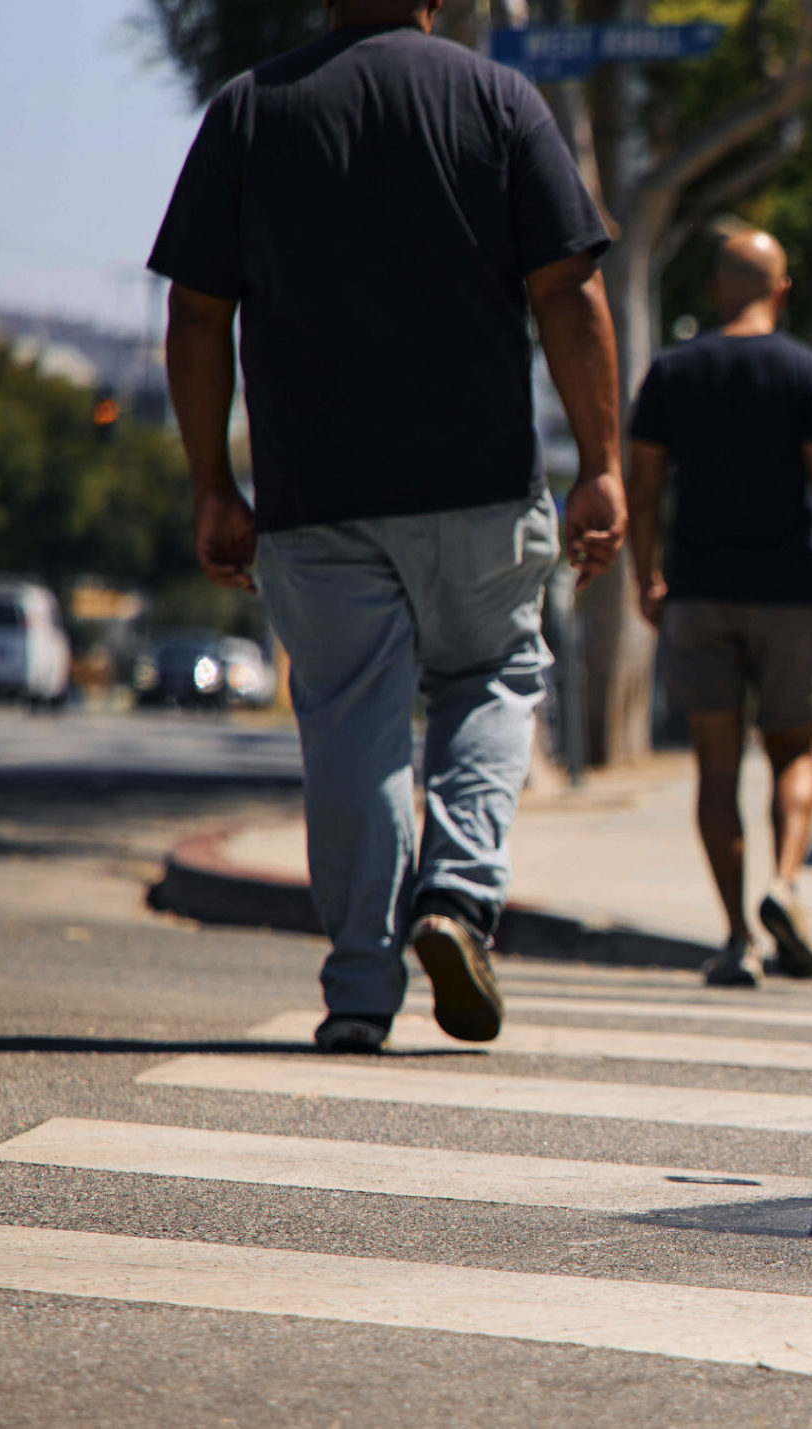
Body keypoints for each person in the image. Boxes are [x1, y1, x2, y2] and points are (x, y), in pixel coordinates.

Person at [152, 0, 624, 1055]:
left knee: (353, 725)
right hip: (480, 489)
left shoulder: (249, 110)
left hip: (317, 495)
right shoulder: (500, 99)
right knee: (493, 676)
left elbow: (196, 311)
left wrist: (211, 485)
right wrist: (600, 464)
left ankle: (360, 987)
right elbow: (568, 293)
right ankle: (455, 896)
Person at [627, 229, 812, 988]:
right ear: (782, 288)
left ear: (715, 291)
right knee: (794, 754)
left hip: (697, 593)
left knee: (715, 768)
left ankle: (736, 936)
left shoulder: (671, 372)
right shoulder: (806, 372)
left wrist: (647, 575)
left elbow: (642, 489)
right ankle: (786, 883)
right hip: (789, 594)